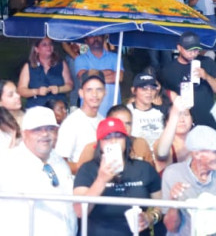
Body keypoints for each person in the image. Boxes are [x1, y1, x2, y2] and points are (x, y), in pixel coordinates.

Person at [73, 116, 162, 236]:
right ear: (99, 143)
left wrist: (150, 218)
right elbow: (79, 211)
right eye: (107, 137)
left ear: (126, 140)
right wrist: (101, 180)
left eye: (118, 136)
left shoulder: (144, 168)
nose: (113, 141)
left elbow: (163, 205)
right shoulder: (87, 169)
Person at [0, 107, 78, 235]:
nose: (45, 134)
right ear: (24, 133)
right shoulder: (8, 162)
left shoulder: (59, 161)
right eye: (37, 129)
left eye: (50, 129)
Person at [162, 126, 216, 236]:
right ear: (197, 154)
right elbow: (172, 227)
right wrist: (173, 202)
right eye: (215, 152)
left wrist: (207, 212)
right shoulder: (173, 174)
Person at [160, 32, 216, 129]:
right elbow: (164, 98)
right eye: (189, 50)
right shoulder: (168, 70)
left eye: (196, 50)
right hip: (183, 123)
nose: (193, 53)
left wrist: (207, 77)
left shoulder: (207, 63)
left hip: (207, 121)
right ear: (179, 47)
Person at [55, 72, 106, 173]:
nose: (94, 94)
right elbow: (59, 162)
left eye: (99, 89)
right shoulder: (72, 123)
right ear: (81, 93)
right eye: (89, 90)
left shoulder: (103, 121)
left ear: (105, 92)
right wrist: (80, 169)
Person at [17, 37, 72, 109]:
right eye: (44, 45)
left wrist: (59, 89)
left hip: (58, 109)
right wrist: (37, 91)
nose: (48, 47)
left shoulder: (61, 63)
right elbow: (21, 90)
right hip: (36, 108)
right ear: (36, 49)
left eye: (50, 44)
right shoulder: (28, 66)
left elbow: (70, 85)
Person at [74, 35, 123, 116]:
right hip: (89, 113)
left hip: (113, 110)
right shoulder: (80, 59)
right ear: (86, 41)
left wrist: (92, 76)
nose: (96, 38)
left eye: (99, 36)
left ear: (103, 38)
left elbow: (119, 78)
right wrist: (109, 72)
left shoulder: (115, 57)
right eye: (91, 37)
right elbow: (84, 77)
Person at [127, 72, 166, 148]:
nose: (149, 92)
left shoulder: (163, 111)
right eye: (144, 89)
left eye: (152, 88)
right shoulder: (127, 112)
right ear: (133, 90)